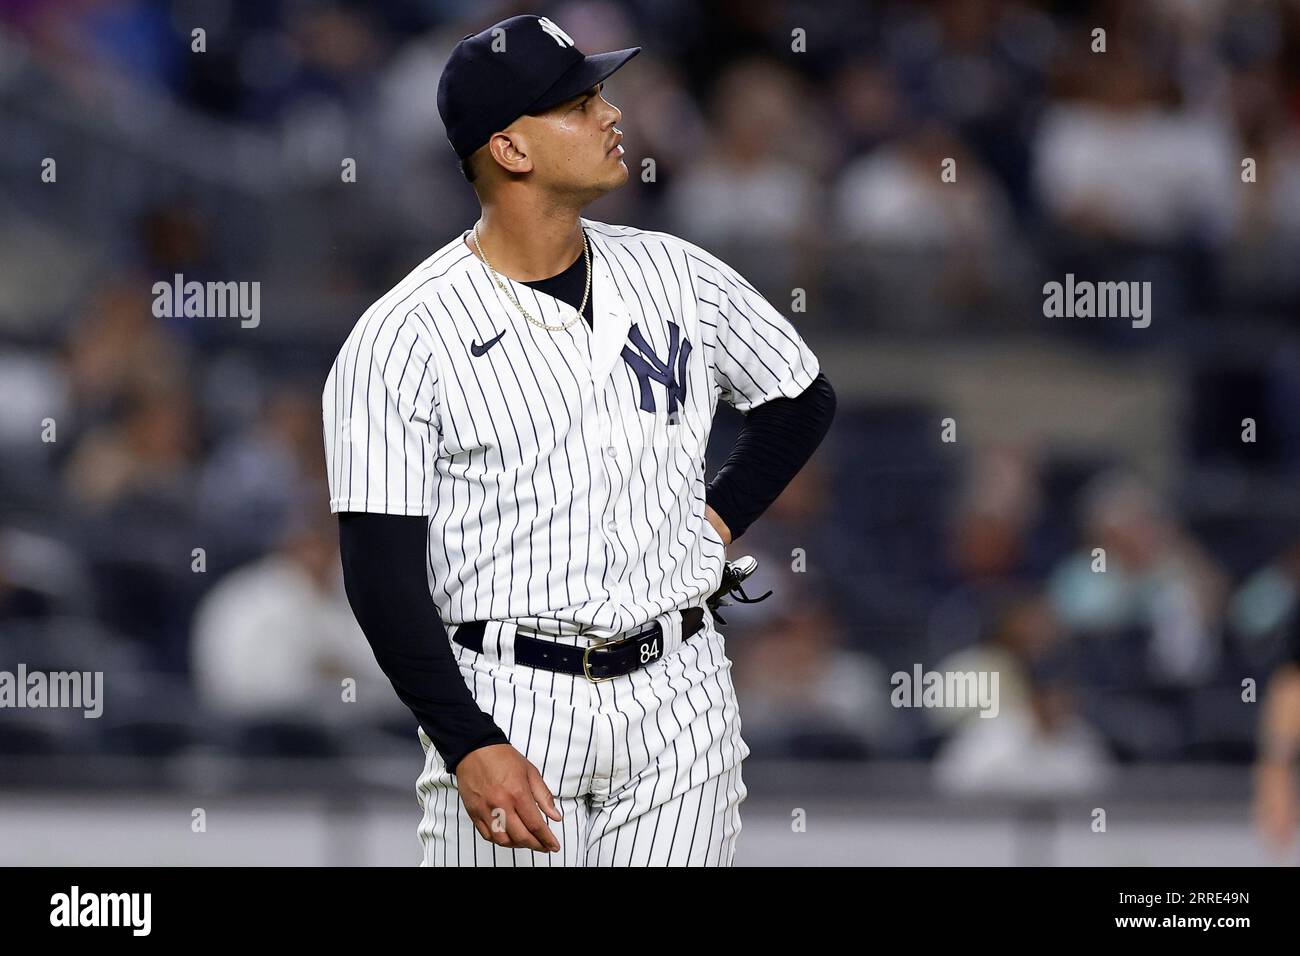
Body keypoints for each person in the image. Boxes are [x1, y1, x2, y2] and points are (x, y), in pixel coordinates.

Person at [323, 14, 835, 866]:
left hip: (679, 689)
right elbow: (380, 578)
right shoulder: (403, 334)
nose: (611, 114)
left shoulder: (675, 271)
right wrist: (465, 742)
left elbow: (800, 397)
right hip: (508, 695)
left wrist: (715, 519)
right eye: (578, 102)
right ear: (511, 151)